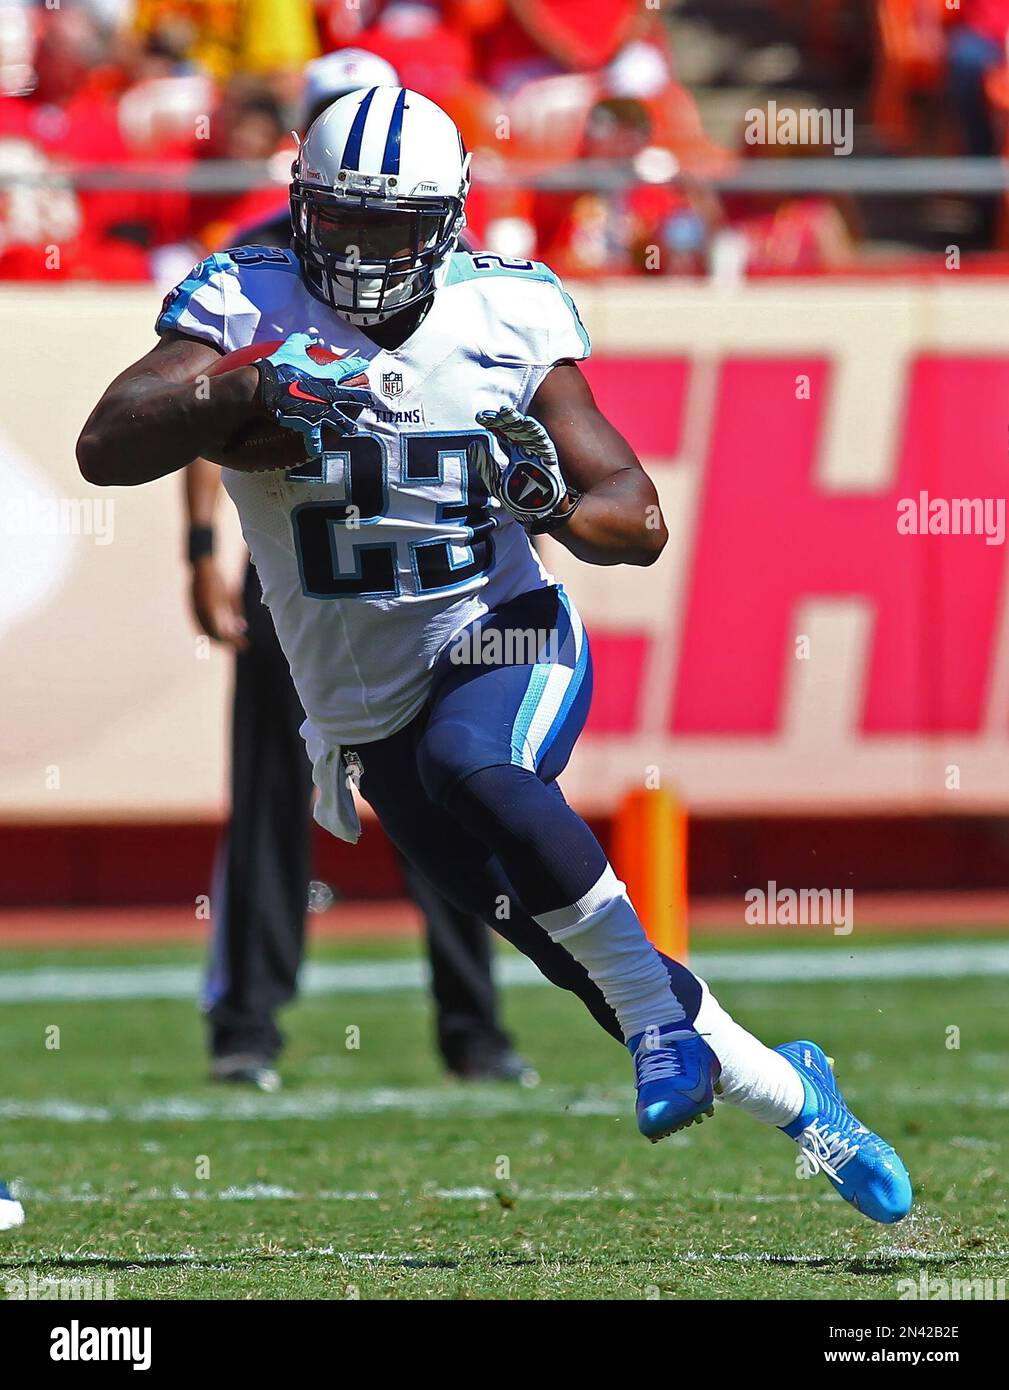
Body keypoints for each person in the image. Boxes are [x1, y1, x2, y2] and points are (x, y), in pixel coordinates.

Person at [78, 86, 912, 1223]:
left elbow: (639, 515)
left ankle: (667, 1030)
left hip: (500, 631)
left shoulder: (503, 315)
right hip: (365, 709)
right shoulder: (245, 302)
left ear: (451, 221)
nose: (366, 253)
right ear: (301, 209)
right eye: (346, 220)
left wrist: (551, 496)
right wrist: (255, 382)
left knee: (484, 767)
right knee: (579, 957)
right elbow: (107, 442)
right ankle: (799, 1099)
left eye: (393, 226)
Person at [187, 49, 534, 1090]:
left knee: (451, 788)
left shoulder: (472, 279)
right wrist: (204, 541)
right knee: (270, 791)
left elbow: (510, 412)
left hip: (428, 564)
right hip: (299, 563)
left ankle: (472, 1028)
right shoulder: (251, 264)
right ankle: (247, 1022)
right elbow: (202, 411)